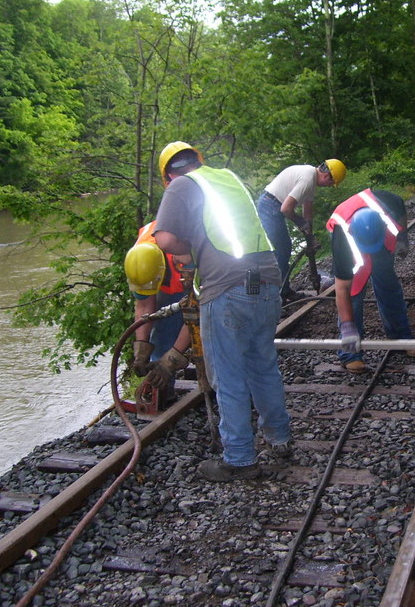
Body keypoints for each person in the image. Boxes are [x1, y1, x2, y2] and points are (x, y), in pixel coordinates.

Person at [152, 141, 292, 481]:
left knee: (228, 374)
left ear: (167, 175)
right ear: (198, 160)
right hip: (266, 279)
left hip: (227, 288)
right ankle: (279, 438)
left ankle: (240, 458)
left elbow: (165, 240)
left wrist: (194, 250)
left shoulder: (181, 185)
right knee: (262, 363)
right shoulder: (227, 177)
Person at [326, 188, 415, 373]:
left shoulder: (389, 202)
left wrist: (402, 238)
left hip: (378, 239)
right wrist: (348, 328)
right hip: (353, 240)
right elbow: (342, 289)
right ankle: (350, 352)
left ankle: (401, 336)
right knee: (354, 294)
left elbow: (401, 210)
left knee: (388, 284)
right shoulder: (343, 238)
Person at [257, 160, 347, 302]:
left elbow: (308, 211)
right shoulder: (307, 179)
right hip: (270, 206)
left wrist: (309, 234)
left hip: (272, 205)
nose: (328, 187)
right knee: (281, 251)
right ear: (327, 177)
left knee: (284, 249)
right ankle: (277, 297)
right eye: (331, 184)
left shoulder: (310, 177)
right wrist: (301, 223)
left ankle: (284, 292)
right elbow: (286, 209)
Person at [124, 225, 192, 406]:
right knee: (161, 335)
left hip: (211, 277)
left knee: (212, 332)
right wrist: (142, 347)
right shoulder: (140, 257)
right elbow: (144, 304)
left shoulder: (186, 251)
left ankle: (219, 384)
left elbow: (198, 312)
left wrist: (173, 358)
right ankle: (162, 395)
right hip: (170, 281)